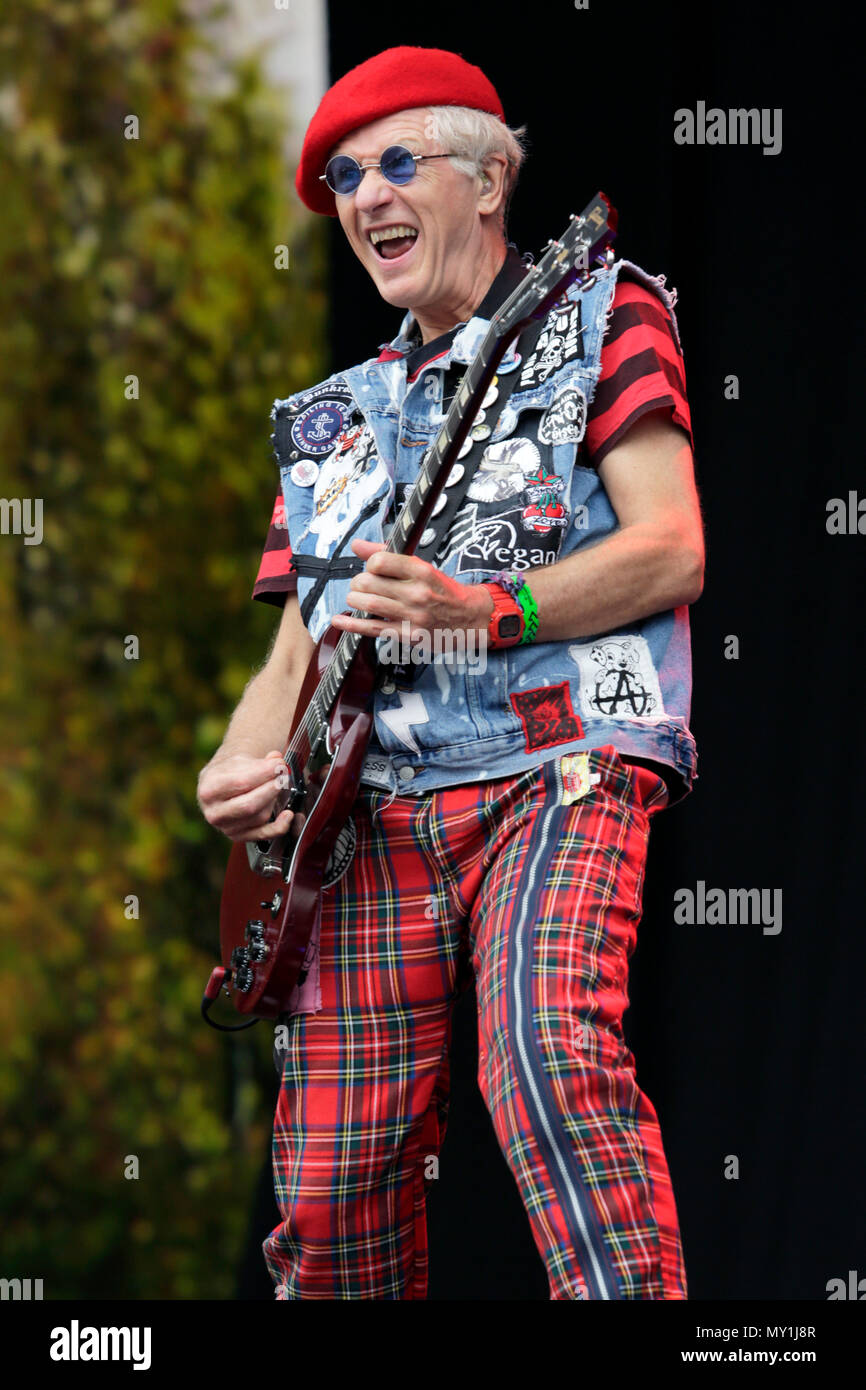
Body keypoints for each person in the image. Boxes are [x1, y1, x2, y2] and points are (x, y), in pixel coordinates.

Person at [196, 45, 704, 1301]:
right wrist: (241, 761)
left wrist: (488, 609)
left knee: (545, 1053)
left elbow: (672, 548)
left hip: (558, 761)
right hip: (370, 812)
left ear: (488, 180)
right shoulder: (326, 421)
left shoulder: (604, 312)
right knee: (327, 1189)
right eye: (343, 178)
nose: (365, 194)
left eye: (395, 162)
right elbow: (297, 651)